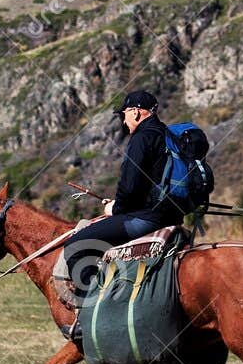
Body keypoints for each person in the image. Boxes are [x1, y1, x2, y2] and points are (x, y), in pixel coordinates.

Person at [62, 89, 187, 302]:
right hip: (171, 216)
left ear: (136, 112)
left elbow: (130, 187)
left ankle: (90, 312)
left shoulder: (141, 139)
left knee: (75, 245)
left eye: (124, 115)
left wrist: (115, 208)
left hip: (147, 218)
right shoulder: (167, 135)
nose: (123, 122)